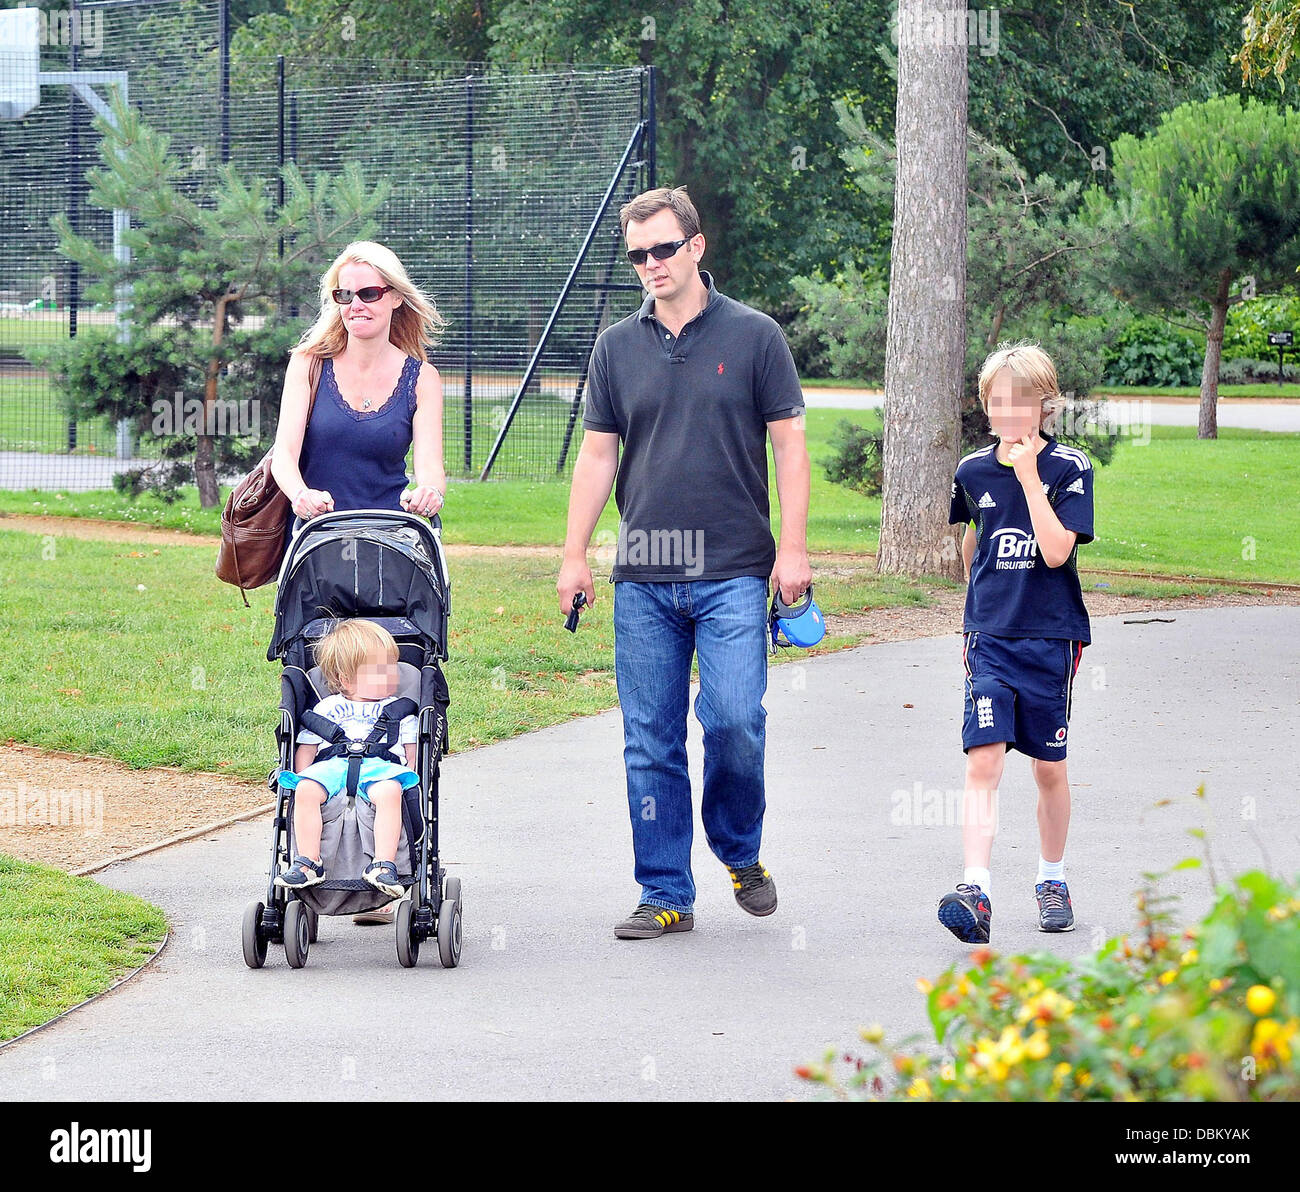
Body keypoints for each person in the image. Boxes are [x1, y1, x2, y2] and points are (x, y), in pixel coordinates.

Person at [556, 185, 812, 941]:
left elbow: (790, 449)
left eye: (663, 249)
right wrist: (574, 554)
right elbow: (598, 456)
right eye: (637, 255)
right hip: (642, 573)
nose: (650, 265)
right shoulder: (616, 347)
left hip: (735, 568)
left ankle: (739, 850)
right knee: (650, 739)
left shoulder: (757, 336)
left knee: (736, 719)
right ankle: (665, 890)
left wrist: (792, 550)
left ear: (696, 246)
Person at [270, 240, 447, 924]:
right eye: (344, 296)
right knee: (320, 690)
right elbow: (283, 454)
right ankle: (315, 860)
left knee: (395, 701)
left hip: (391, 550)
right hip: (317, 549)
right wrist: (302, 491)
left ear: (394, 298)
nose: (355, 307)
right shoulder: (309, 367)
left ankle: (390, 863)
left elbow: (428, 467)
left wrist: (427, 492)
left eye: (368, 294)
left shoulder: (419, 377)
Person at [938, 342, 1094, 944]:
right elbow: (974, 537)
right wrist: (978, 598)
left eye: (1021, 401)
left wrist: (1029, 477)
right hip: (990, 639)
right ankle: (976, 890)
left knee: (1049, 768)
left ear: (1044, 405)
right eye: (996, 400)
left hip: (1050, 638)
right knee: (984, 760)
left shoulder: (1068, 468)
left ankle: (1051, 877)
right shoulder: (972, 470)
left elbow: (1057, 551)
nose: (1007, 412)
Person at [274, 619, 420, 899]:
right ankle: (308, 862)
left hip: (379, 766)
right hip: (331, 765)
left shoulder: (400, 710)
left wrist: (412, 773)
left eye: (392, 666)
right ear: (345, 679)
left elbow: (413, 752)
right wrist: (300, 775)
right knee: (305, 789)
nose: (392, 675)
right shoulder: (326, 707)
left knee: (390, 791)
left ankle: (384, 864)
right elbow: (307, 746)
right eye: (380, 670)